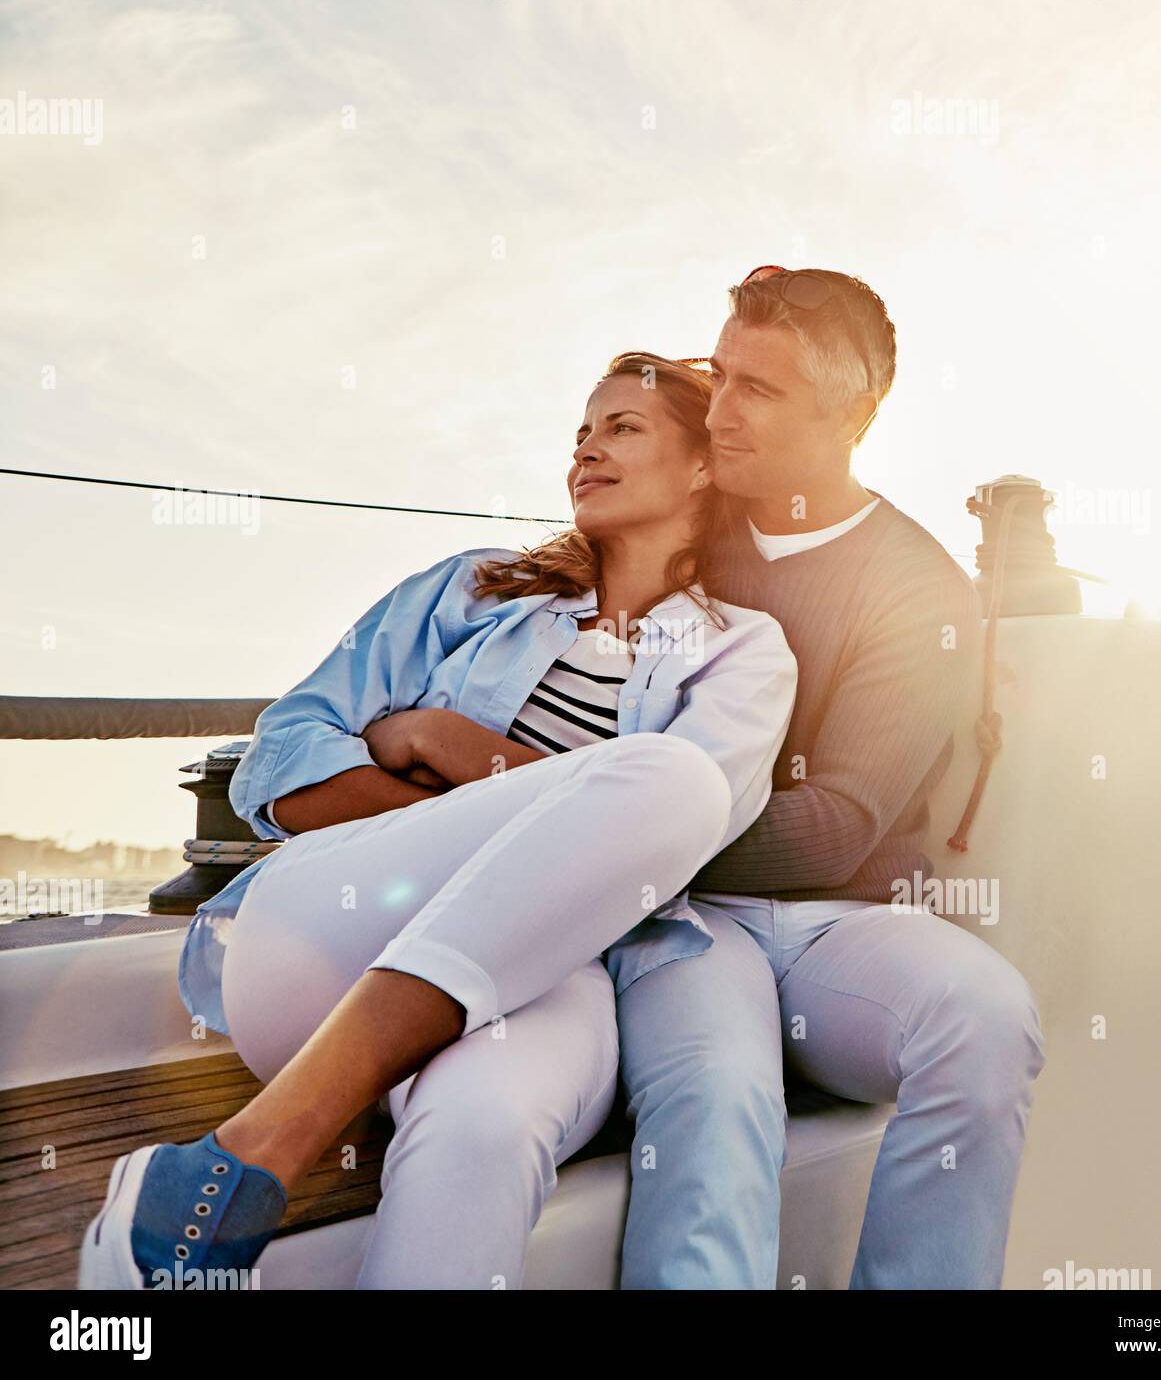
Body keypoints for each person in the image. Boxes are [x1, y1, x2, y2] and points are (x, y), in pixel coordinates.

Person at [79, 351, 797, 1291]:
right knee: (666, 777)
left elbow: (676, 838)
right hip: (327, 940)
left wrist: (445, 739)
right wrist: (500, 799)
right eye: (581, 432)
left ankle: (199, 1193)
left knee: (489, 1123)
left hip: (550, 973)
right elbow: (285, 756)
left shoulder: (743, 653)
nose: (587, 451)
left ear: (704, 465)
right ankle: (271, 1139)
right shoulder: (473, 591)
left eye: (623, 428)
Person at [606, 267, 1047, 1290]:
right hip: (674, 913)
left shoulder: (918, 586)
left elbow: (837, 827)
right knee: (722, 1091)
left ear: (854, 415)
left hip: (831, 924)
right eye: (720, 376)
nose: (718, 412)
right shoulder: (679, 523)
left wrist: (614, 828)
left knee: (983, 1020)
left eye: (759, 391)